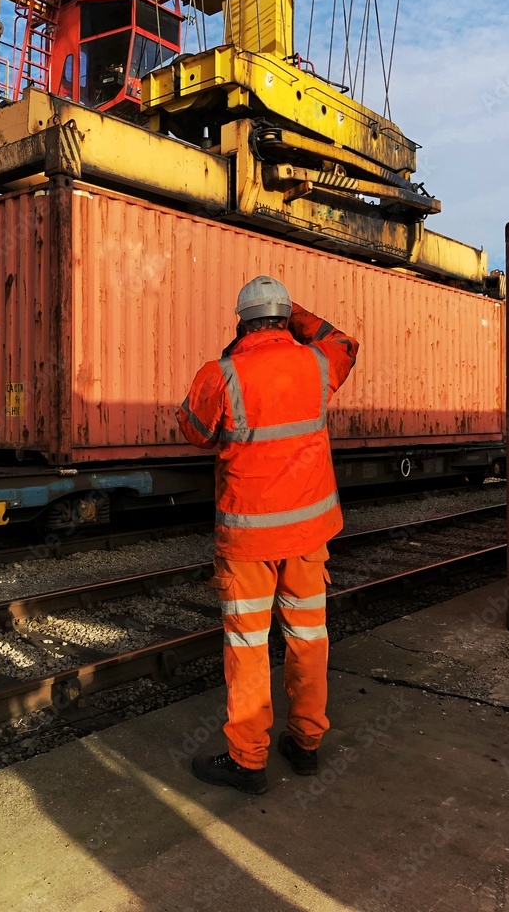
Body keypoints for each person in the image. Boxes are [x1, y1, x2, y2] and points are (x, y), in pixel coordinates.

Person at [176, 276, 359, 794]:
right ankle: (305, 745)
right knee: (308, 639)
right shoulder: (318, 363)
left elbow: (192, 430)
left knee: (249, 647)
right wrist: (297, 313)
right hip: (307, 536)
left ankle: (248, 761)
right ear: (285, 317)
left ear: (242, 323)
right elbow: (344, 341)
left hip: (249, 542)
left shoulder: (223, 374)